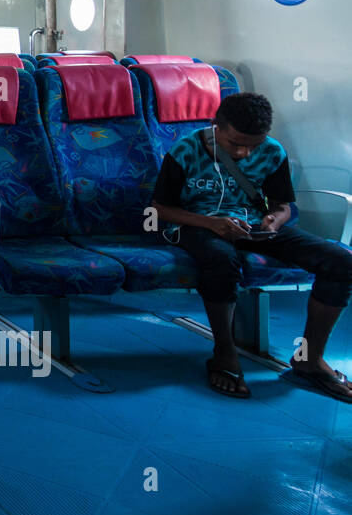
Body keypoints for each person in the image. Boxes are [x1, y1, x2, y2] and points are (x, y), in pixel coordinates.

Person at [150, 92, 352, 401]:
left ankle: (309, 358)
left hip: (255, 226)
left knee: (340, 261)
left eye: (252, 146)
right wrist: (211, 223)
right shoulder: (185, 151)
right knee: (221, 259)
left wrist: (274, 220)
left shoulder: (272, 153)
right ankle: (224, 352)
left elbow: (282, 205)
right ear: (216, 126)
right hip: (196, 224)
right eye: (235, 144)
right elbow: (160, 209)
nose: (244, 153)